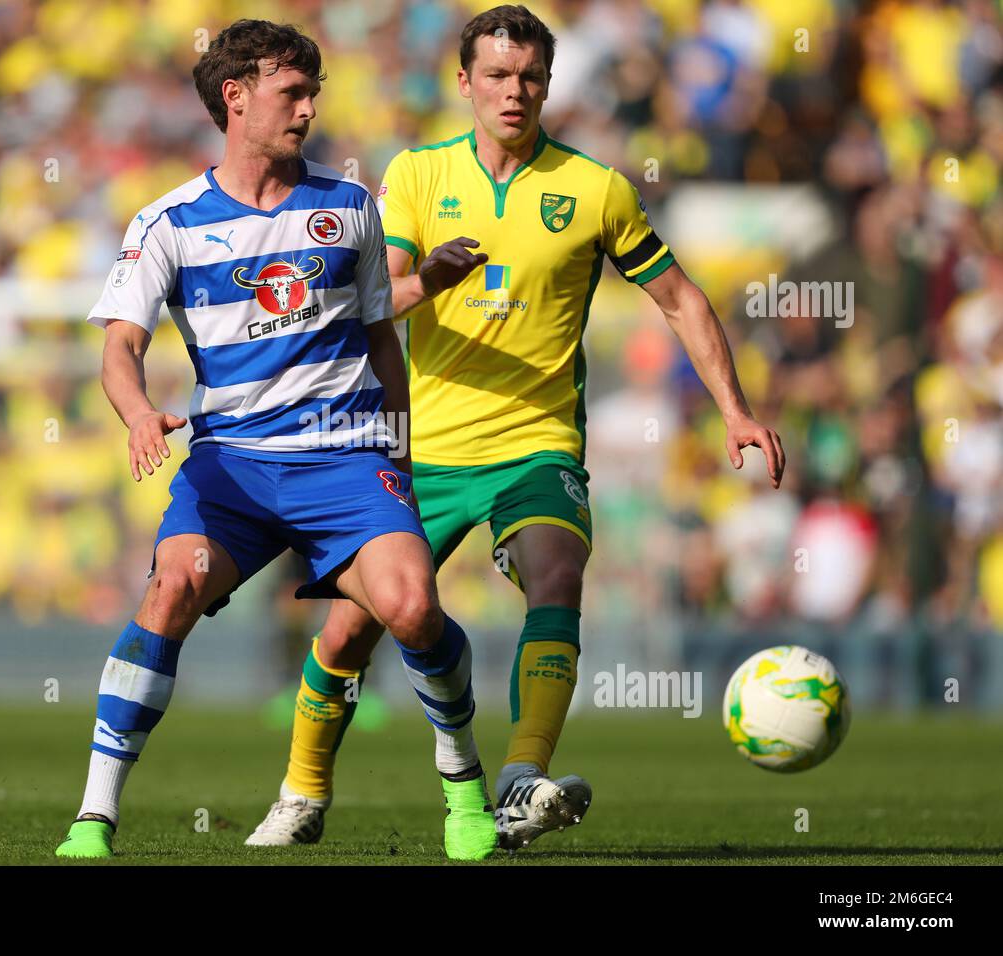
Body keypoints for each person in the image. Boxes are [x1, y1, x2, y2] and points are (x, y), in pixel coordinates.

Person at [246, 4, 785, 852]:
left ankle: (520, 778)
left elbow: (679, 297)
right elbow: (370, 304)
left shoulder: (596, 188)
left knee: (557, 572)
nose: (515, 91)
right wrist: (431, 274)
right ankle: (303, 790)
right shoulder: (418, 175)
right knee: (352, 628)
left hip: (536, 441)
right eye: (497, 75)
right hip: (417, 448)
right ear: (463, 82)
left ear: (548, 83)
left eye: (530, 76)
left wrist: (735, 409)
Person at [55, 18, 498, 862]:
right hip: (233, 465)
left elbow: (377, 332)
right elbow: (120, 344)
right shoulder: (169, 222)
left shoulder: (348, 205)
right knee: (171, 590)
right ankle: (94, 818)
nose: (309, 107)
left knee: (410, 607)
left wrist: (397, 449)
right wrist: (140, 413)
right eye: (292, 92)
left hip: (348, 456)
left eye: (313, 91)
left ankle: (463, 779)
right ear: (236, 97)